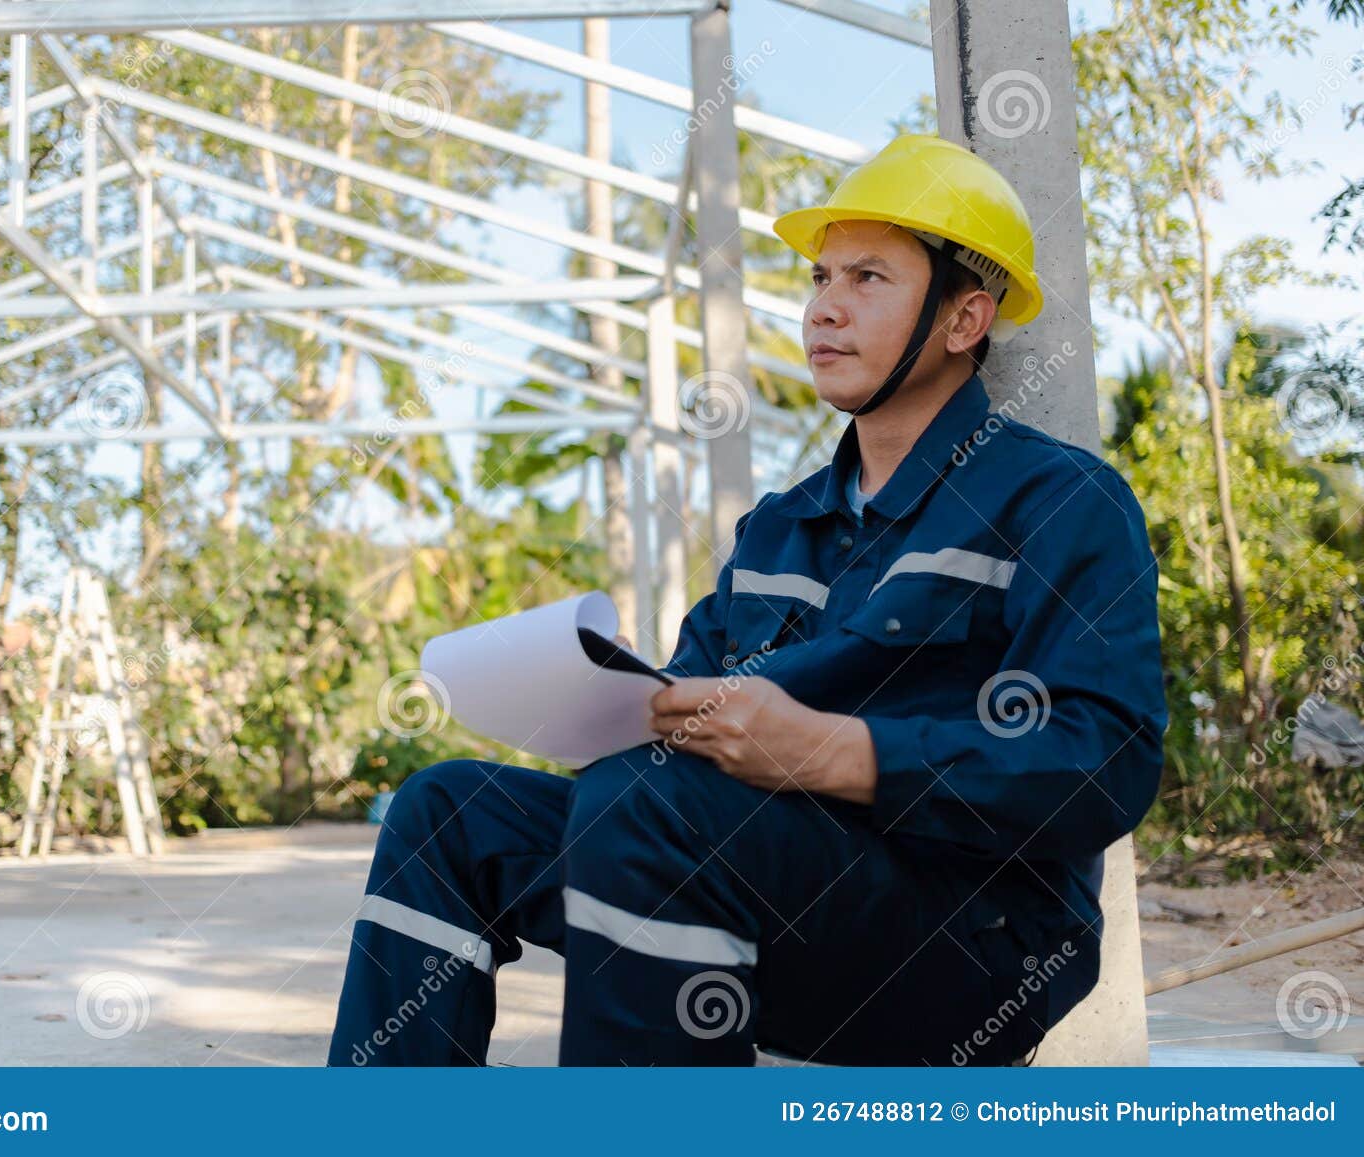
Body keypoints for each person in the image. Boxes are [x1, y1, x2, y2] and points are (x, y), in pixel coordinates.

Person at [326, 134, 1167, 1067]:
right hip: (759, 875)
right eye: (818, 277)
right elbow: (684, 710)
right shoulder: (778, 527)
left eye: (868, 279)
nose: (823, 309)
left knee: (647, 809)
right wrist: (615, 699)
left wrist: (841, 754)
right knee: (447, 810)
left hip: (976, 936)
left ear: (964, 318)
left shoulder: (1058, 502)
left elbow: (1105, 764)